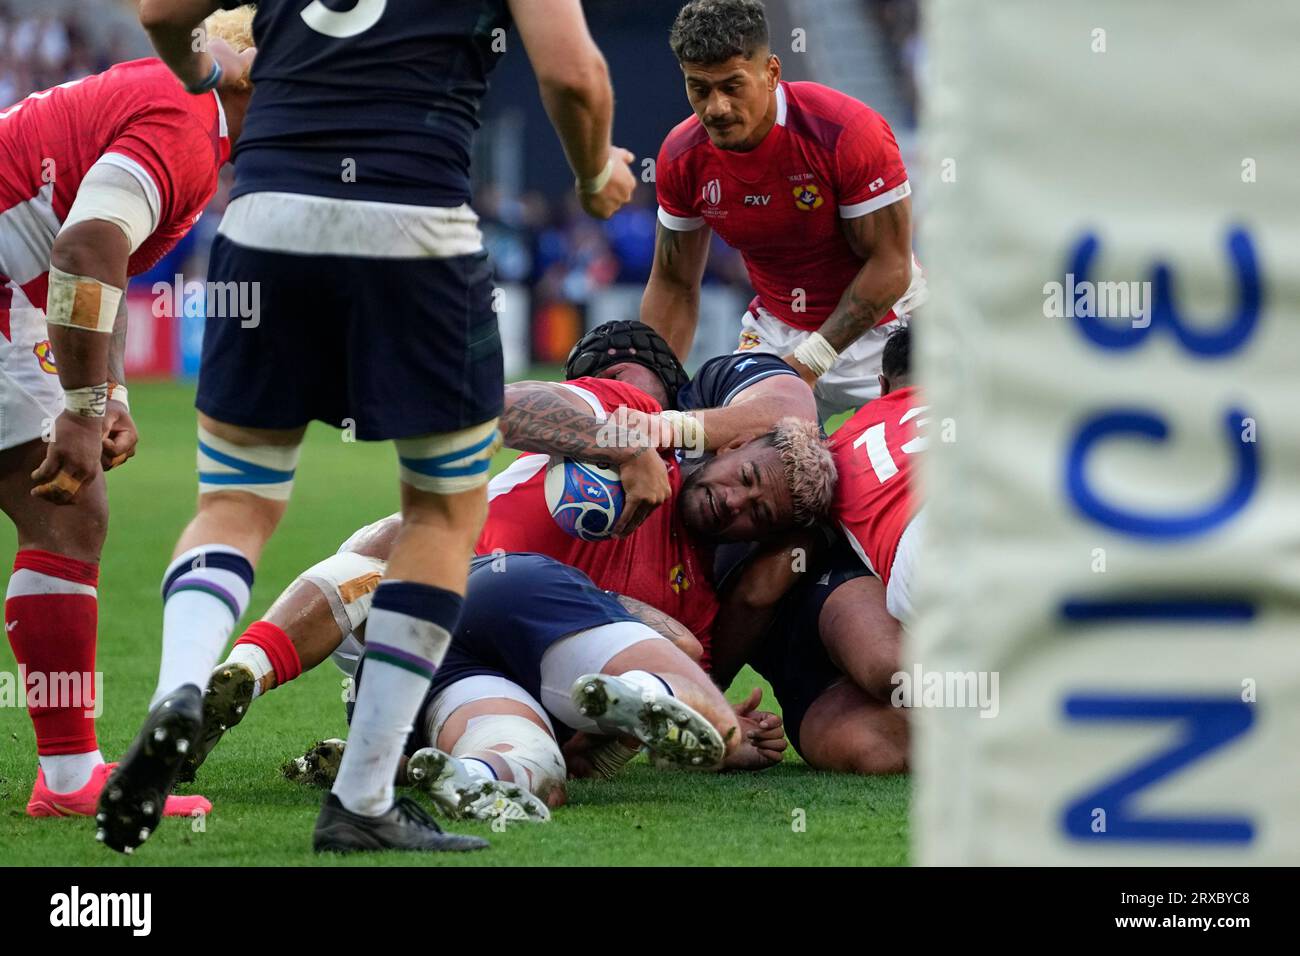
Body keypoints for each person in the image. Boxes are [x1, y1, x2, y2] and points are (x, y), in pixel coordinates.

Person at [103, 0, 636, 855]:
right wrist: (593, 173)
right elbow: (576, 76)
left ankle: (180, 689)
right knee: (440, 514)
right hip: (414, 225)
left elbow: (163, 10)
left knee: (235, 502)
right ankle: (362, 798)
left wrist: (202, 71)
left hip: (266, 219)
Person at [0, 6, 255, 821]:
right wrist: (80, 407)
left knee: (64, 511)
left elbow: (90, 260)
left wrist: (108, 393)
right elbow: (83, 251)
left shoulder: (180, 106)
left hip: (15, 285)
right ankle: (69, 777)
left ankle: (68, 774)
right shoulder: (189, 119)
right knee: (65, 514)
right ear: (254, 74)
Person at [641, 0, 926, 419]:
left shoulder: (846, 132)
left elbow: (891, 266)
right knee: (729, 456)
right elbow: (674, 285)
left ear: (772, 72)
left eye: (732, 86)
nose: (716, 108)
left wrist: (811, 360)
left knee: (918, 455)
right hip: (776, 333)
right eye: (699, 89)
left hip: (887, 327)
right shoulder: (683, 157)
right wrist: (651, 393)